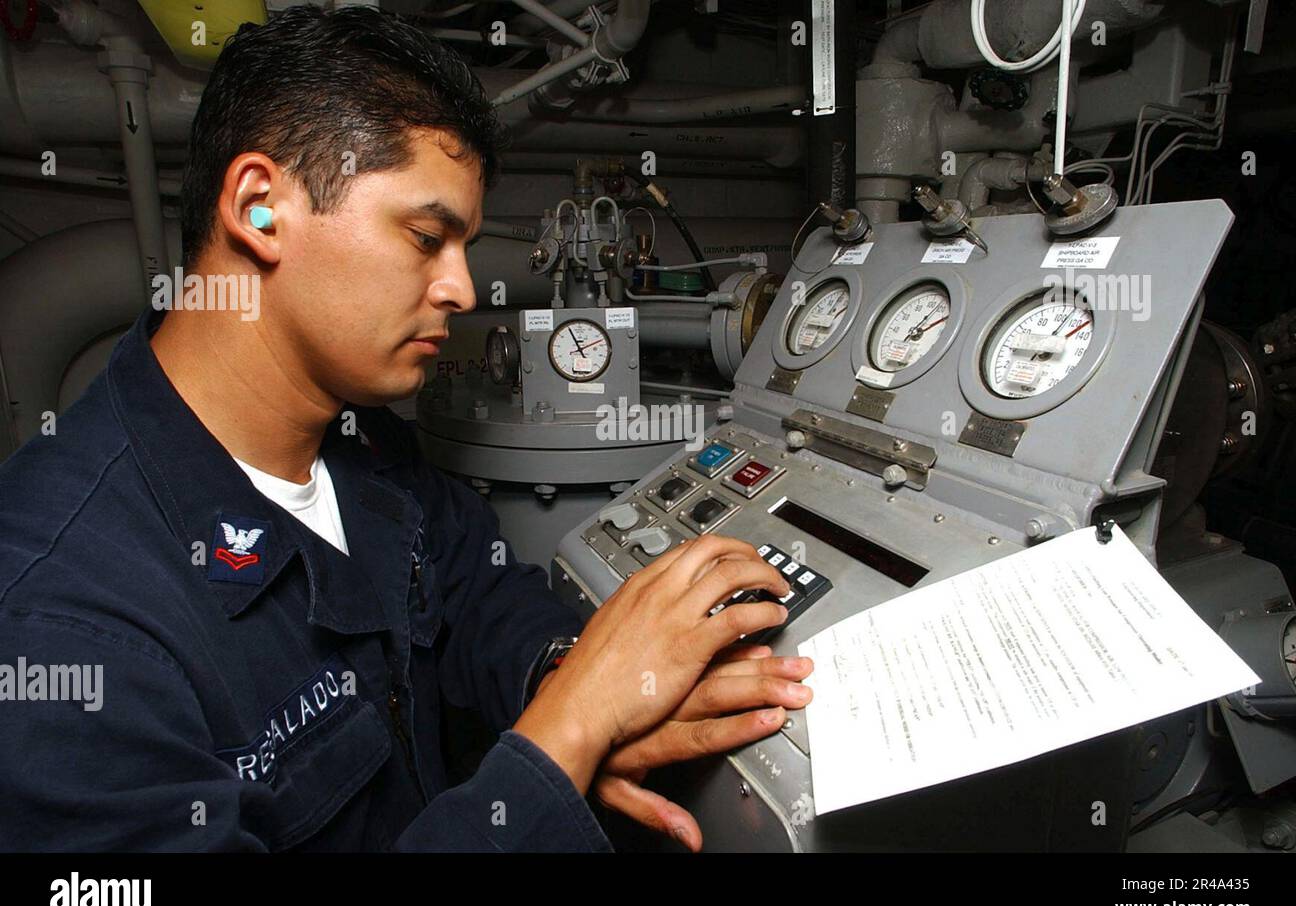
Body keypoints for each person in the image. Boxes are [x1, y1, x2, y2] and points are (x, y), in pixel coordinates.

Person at [0, 4, 812, 851]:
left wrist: (568, 675)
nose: (462, 290)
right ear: (260, 207)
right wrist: (574, 728)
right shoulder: (57, 622)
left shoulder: (365, 447)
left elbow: (475, 592)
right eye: (427, 237)